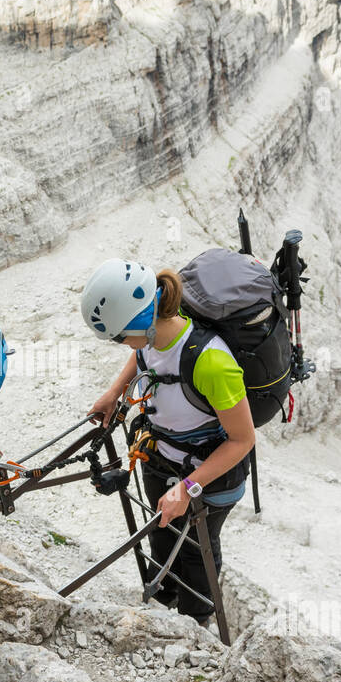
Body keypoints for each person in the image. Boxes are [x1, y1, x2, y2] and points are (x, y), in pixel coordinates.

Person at [82, 258, 256, 627]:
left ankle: (195, 628)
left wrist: (188, 488)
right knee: (161, 534)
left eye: (117, 336)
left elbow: (242, 440)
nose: (119, 344)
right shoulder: (151, 336)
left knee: (196, 553)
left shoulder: (211, 363)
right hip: (161, 458)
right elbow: (141, 356)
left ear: (141, 322)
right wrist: (114, 392)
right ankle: (160, 603)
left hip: (211, 477)